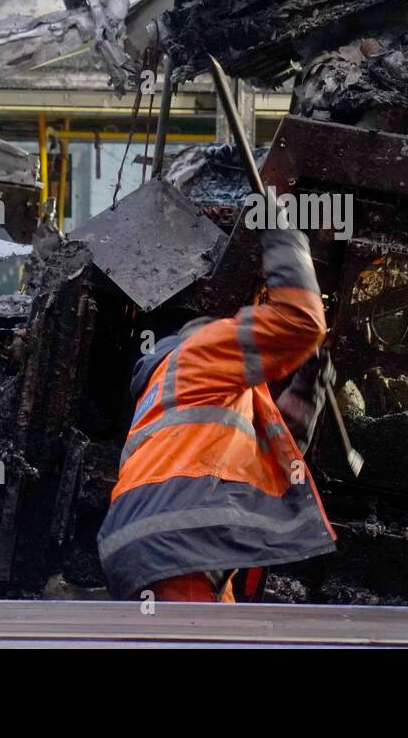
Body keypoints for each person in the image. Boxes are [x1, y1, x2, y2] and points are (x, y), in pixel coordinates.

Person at [97, 219, 337, 603]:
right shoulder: (201, 350)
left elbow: (265, 461)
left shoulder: (188, 393)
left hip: (163, 545)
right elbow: (302, 322)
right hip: (178, 541)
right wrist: (283, 235)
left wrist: (309, 389)